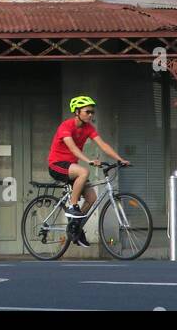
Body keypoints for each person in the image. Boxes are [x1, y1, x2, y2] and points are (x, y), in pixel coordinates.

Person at [47, 95, 129, 247]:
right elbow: (72, 147)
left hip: (72, 168)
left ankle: (75, 228)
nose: (91, 115)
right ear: (77, 111)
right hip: (57, 165)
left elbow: (102, 145)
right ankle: (72, 206)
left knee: (91, 198)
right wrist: (88, 160)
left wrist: (120, 159)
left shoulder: (88, 128)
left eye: (92, 112)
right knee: (84, 172)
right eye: (88, 112)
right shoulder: (66, 126)